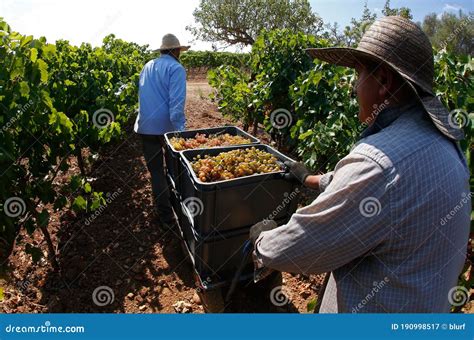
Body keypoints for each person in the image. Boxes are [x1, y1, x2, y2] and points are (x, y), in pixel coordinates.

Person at [250, 16, 471, 312]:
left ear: (383, 82)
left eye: (358, 75)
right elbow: (386, 193)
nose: (354, 88)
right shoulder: (447, 148)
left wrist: (260, 242)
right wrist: (309, 179)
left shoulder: (377, 164)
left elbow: (296, 249)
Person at [134, 34, 189, 226]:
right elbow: (176, 105)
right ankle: (173, 212)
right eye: (179, 51)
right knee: (174, 169)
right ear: (175, 51)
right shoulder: (176, 68)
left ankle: (164, 213)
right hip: (166, 127)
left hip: (145, 126)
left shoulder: (148, 66)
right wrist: (181, 133)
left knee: (156, 171)